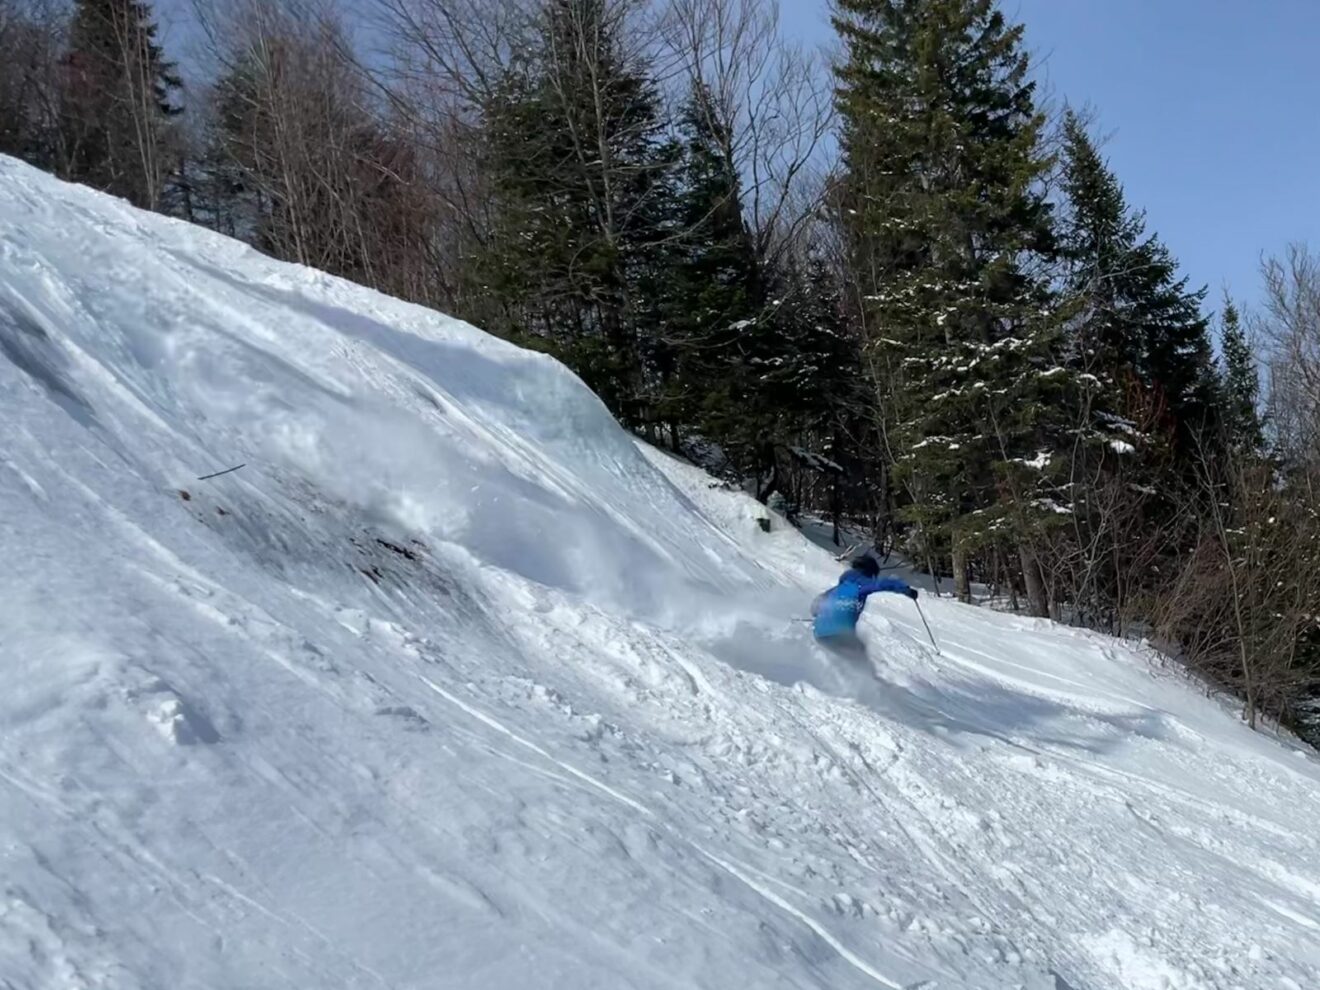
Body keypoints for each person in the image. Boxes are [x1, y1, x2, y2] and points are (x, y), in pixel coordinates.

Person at [811, 555, 918, 640]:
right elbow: (883, 584)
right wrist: (906, 590)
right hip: (841, 633)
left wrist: (818, 615)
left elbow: (817, 604)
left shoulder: (839, 587)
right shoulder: (863, 584)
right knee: (859, 659)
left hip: (820, 631)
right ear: (870, 572)